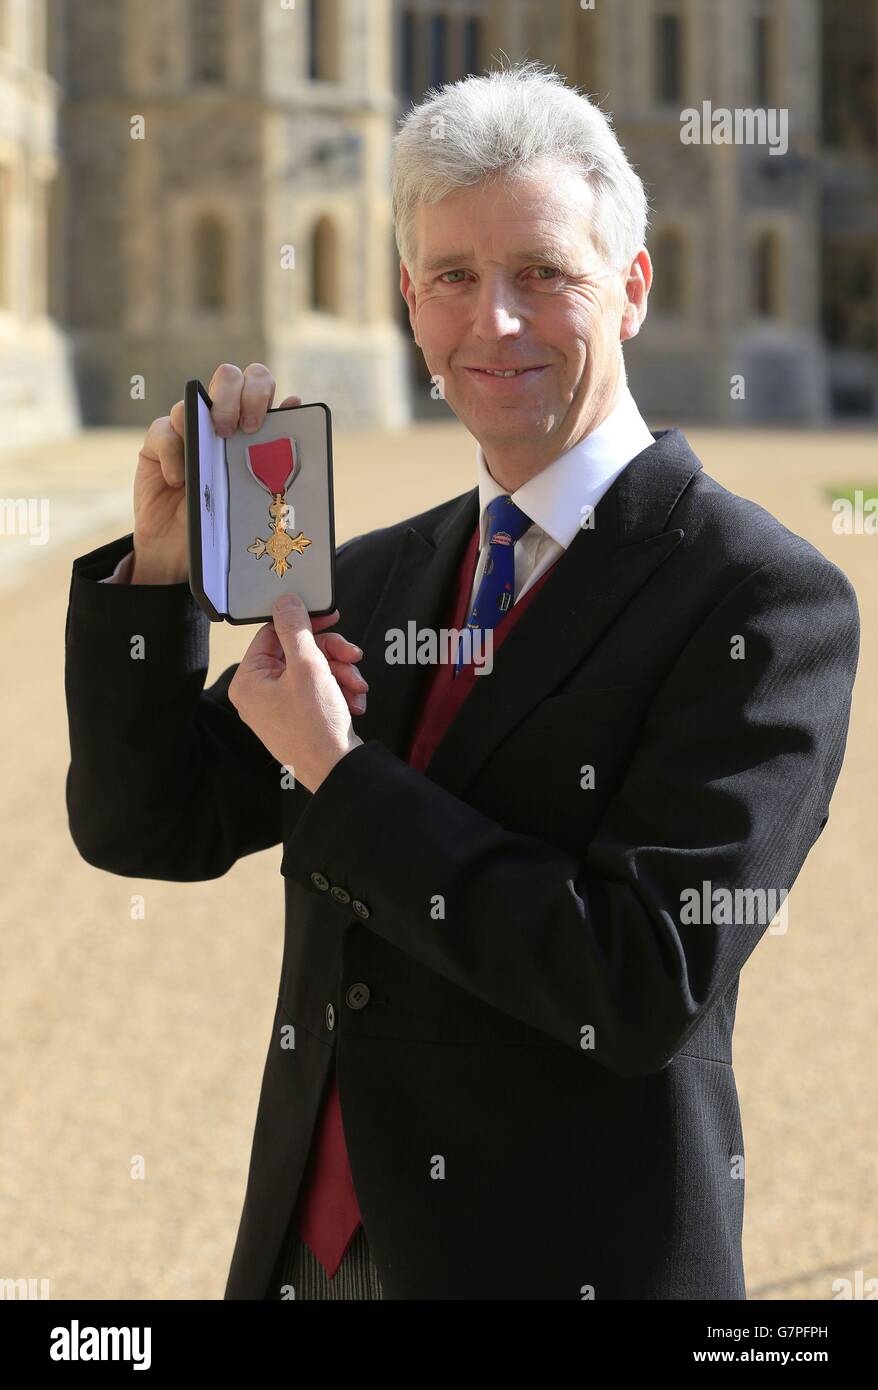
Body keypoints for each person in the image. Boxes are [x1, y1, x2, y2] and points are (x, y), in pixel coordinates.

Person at [64, 61, 860, 1300]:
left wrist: (337, 772)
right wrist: (157, 576)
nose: (491, 322)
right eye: (451, 278)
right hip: (306, 1267)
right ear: (408, 301)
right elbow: (145, 824)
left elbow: (638, 979)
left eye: (542, 273)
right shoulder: (376, 575)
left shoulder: (760, 597)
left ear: (632, 287)